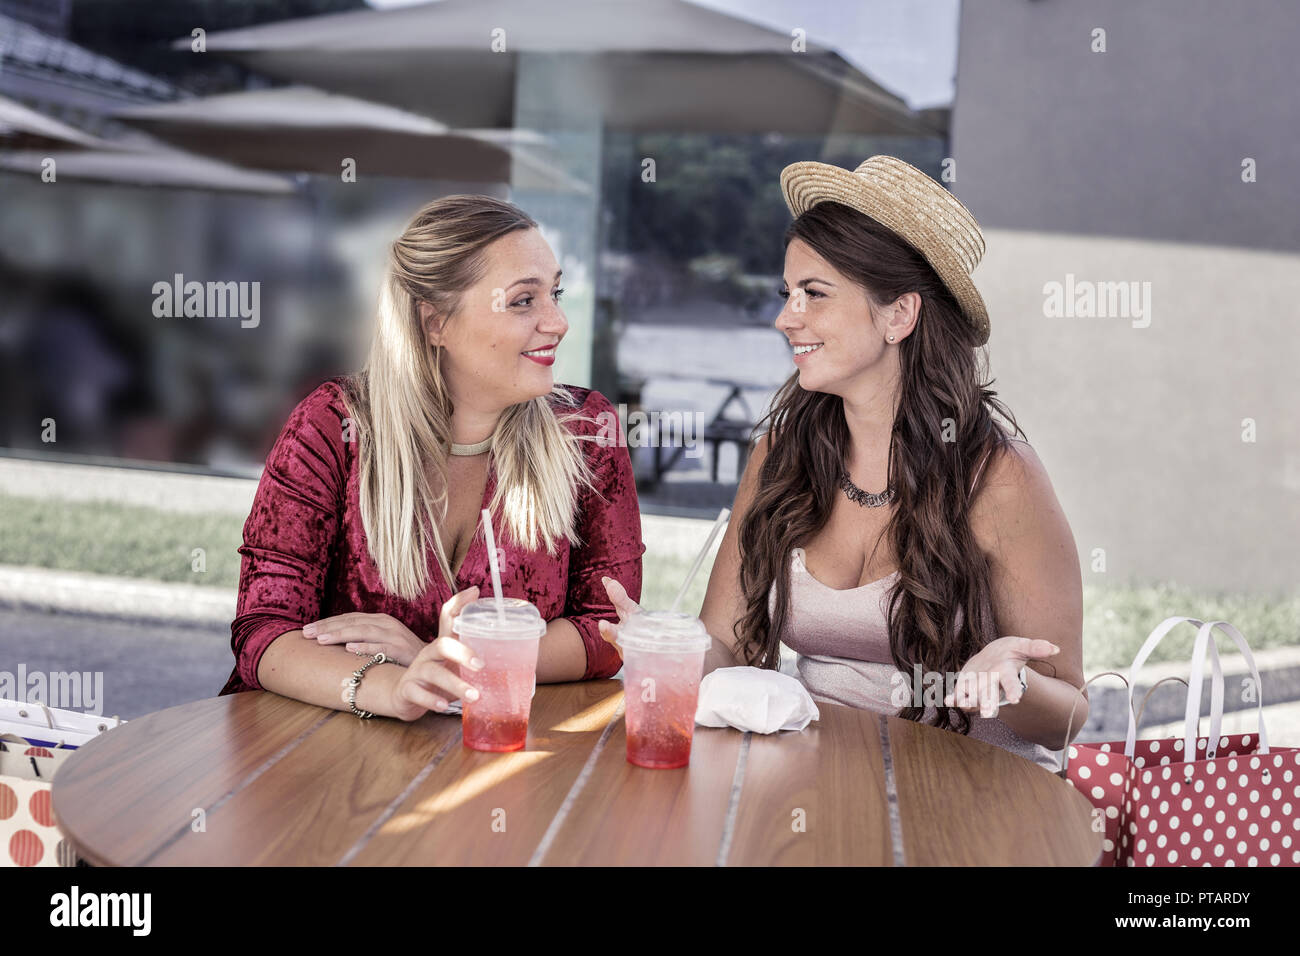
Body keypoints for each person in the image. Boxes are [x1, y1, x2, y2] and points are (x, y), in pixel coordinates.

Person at [600, 157, 1085, 770]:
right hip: (823, 787)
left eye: (814, 294)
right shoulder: (781, 455)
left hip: (972, 802)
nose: (785, 317)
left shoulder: (999, 477)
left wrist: (1010, 684)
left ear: (898, 315)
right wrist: (663, 648)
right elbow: (728, 647)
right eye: (787, 293)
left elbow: (1069, 714)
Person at [220, 195, 644, 721]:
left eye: (554, 293)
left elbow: (609, 630)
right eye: (522, 301)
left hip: (494, 757)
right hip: (314, 755)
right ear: (435, 324)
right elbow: (265, 630)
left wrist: (452, 658)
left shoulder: (586, 433)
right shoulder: (333, 428)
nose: (558, 322)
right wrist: (393, 686)